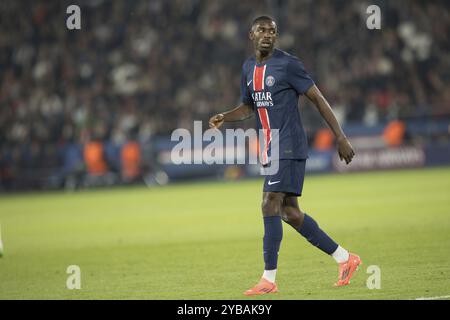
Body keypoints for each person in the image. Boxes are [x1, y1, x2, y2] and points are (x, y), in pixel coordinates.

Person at [209, 16, 361, 296]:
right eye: (261, 30)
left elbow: (317, 98)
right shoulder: (248, 68)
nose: (267, 34)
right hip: (271, 147)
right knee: (290, 212)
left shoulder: (288, 64)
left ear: (276, 37)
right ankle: (345, 258)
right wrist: (225, 117)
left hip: (288, 144)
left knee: (269, 202)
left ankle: (268, 279)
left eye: (272, 31)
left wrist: (340, 136)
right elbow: (248, 106)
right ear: (251, 35)